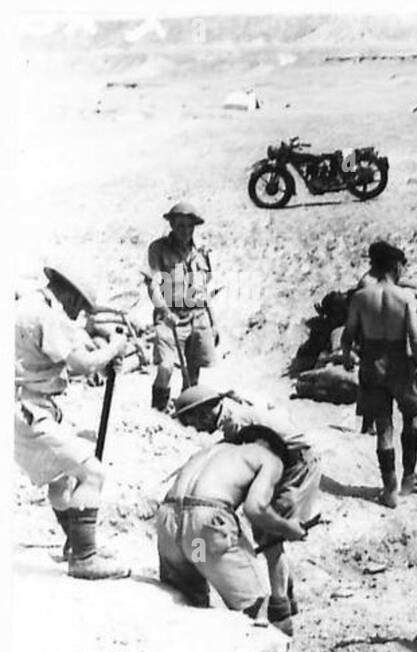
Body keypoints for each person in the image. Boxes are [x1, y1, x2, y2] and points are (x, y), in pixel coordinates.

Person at [14, 264, 132, 580]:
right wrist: (113, 349)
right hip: (26, 408)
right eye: (78, 305)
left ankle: (75, 542)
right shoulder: (46, 313)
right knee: (91, 471)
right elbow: (80, 363)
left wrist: (100, 345)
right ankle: (84, 558)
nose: (78, 313)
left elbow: (75, 340)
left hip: (28, 405)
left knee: (61, 477)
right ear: (69, 293)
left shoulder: (33, 305)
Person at [172, 385, 322, 628]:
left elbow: (256, 509)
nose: (194, 429)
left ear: (205, 412)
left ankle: (280, 609)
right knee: (210, 551)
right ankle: (279, 601)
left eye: (192, 422)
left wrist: (283, 525)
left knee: (270, 538)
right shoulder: (236, 429)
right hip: (204, 523)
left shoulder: (238, 428)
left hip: (180, 521)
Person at [156, 434, 307, 629]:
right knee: (258, 614)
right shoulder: (270, 458)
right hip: (205, 526)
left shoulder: (208, 452)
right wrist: (288, 528)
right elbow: (255, 508)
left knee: (192, 602)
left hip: (174, 528)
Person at [341, 241, 417, 508]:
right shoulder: (404, 297)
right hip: (399, 364)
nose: (403, 271)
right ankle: (408, 479)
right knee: (411, 420)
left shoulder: (360, 297)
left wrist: (347, 357)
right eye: (402, 266)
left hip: (372, 363)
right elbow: (414, 338)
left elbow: (347, 335)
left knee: (384, 427)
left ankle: (389, 490)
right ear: (395, 266)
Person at [144, 201, 218, 411]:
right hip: (170, 317)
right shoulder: (158, 249)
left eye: (189, 226)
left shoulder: (200, 253)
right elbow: (153, 287)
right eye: (180, 225)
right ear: (172, 225)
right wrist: (165, 312)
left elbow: (204, 292)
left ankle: (186, 411)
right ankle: (157, 411)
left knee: (193, 370)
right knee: (166, 366)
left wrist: (214, 323)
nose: (185, 231)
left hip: (198, 316)